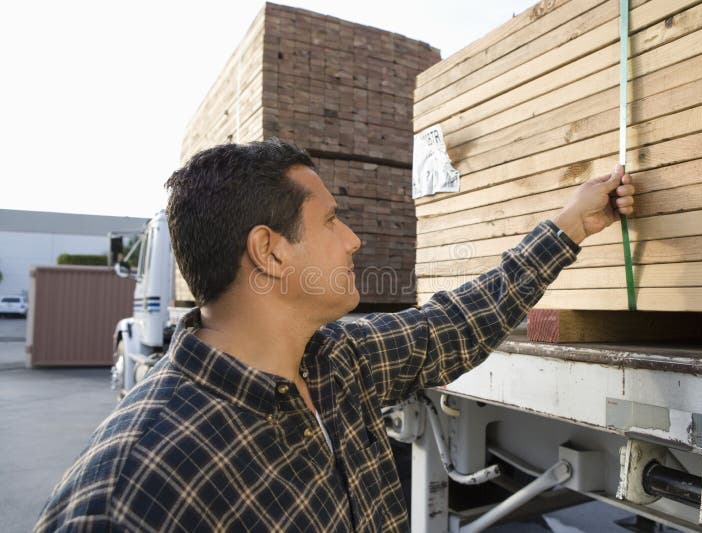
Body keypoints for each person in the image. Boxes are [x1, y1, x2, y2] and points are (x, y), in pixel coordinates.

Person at [35, 139, 634, 532]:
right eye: (330, 220)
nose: (353, 240)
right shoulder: (133, 488)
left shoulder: (334, 360)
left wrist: (573, 222)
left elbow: (453, 325)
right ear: (268, 251)